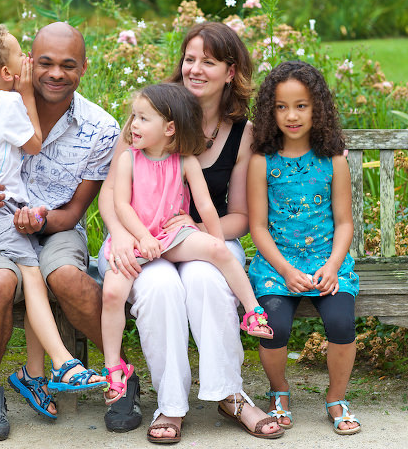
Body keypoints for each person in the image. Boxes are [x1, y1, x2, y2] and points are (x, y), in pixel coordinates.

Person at [0, 22, 135, 441]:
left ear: (84, 67)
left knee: (65, 275)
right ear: (27, 64)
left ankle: (120, 376)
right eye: (44, 63)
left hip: (55, 227)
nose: (55, 73)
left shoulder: (100, 128)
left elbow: (75, 212)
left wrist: (42, 220)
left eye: (67, 65)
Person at [98, 22, 284, 443]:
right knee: (160, 287)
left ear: (230, 72)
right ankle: (171, 404)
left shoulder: (243, 134)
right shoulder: (149, 113)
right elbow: (112, 194)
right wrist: (122, 235)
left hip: (203, 239)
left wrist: (198, 228)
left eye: (209, 61)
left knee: (204, 280)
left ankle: (230, 394)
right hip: (142, 240)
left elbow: (239, 215)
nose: (194, 69)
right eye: (189, 58)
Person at [246, 60, 361, 435]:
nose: (291, 115)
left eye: (301, 105)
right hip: (278, 265)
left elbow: (345, 223)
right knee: (274, 325)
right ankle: (279, 391)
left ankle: (337, 397)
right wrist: (284, 270)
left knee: (341, 321)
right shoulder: (263, 162)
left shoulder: (332, 160)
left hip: (328, 262)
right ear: (270, 111)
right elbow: (258, 228)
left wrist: (332, 266)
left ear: (317, 108)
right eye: (281, 106)